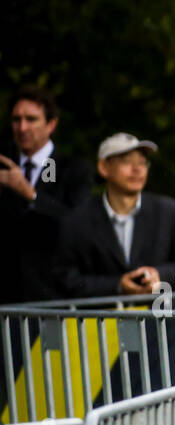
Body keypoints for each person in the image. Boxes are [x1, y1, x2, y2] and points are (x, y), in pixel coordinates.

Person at [51, 133, 175, 298]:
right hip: (101, 322)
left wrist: (159, 275)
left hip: (159, 321)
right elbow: (64, 277)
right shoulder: (76, 220)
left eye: (142, 162)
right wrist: (117, 285)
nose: (137, 169)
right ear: (104, 168)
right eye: (127, 161)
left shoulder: (172, 212)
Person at [0, 86, 93, 303]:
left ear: (51, 124)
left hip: (53, 296)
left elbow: (78, 225)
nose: (22, 127)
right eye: (16, 119)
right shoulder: (4, 162)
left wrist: (30, 193)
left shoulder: (74, 169)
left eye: (31, 119)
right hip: (6, 297)